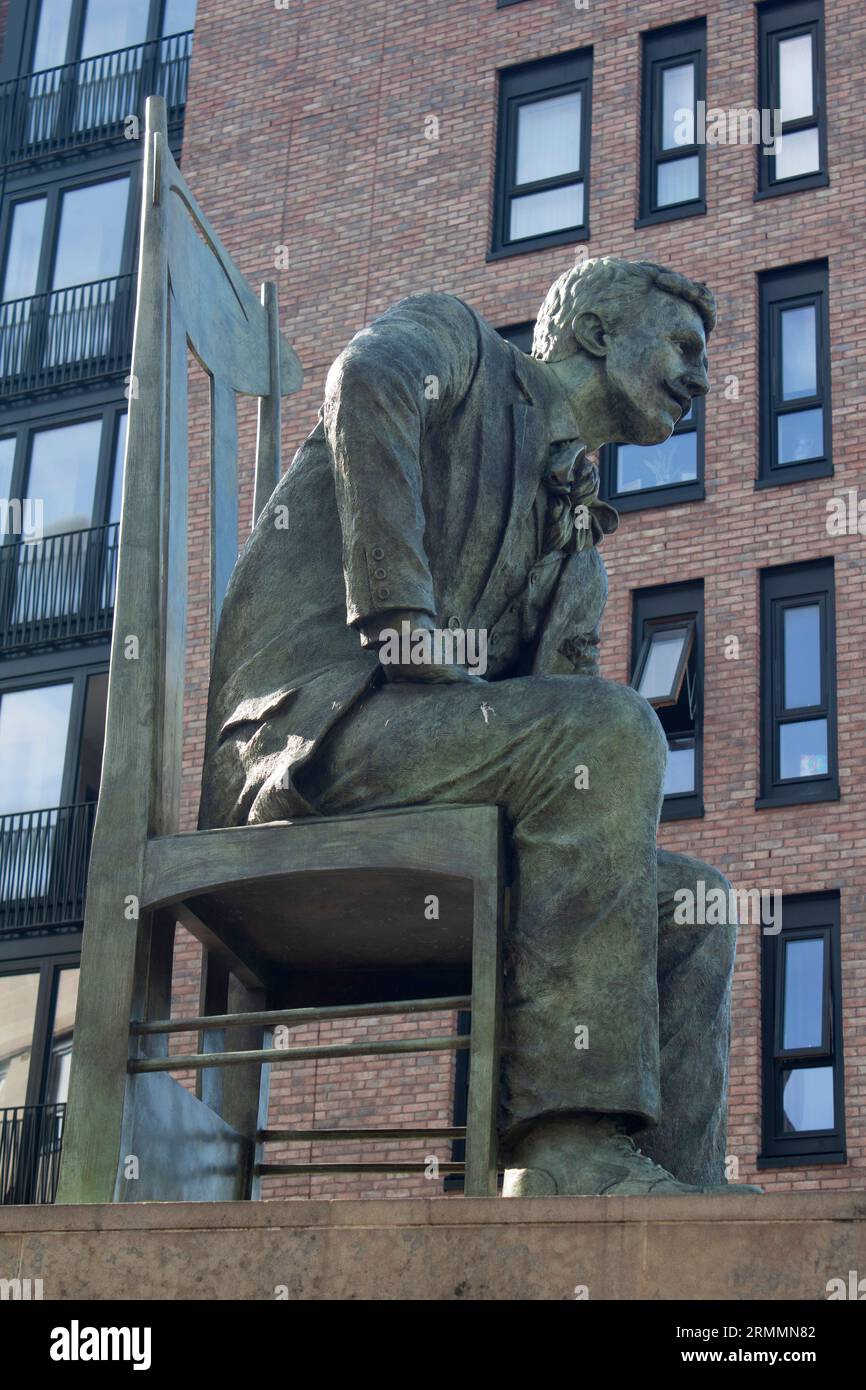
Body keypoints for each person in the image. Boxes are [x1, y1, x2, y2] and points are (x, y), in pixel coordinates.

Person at [200, 256, 761, 1196]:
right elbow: (365, 378)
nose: (700, 377)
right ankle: (567, 1152)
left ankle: (666, 1195)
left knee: (688, 908)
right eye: (682, 345)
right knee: (615, 732)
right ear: (592, 332)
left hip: (424, 767)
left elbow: (561, 795)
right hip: (310, 742)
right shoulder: (459, 346)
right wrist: (401, 613)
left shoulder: (580, 545)